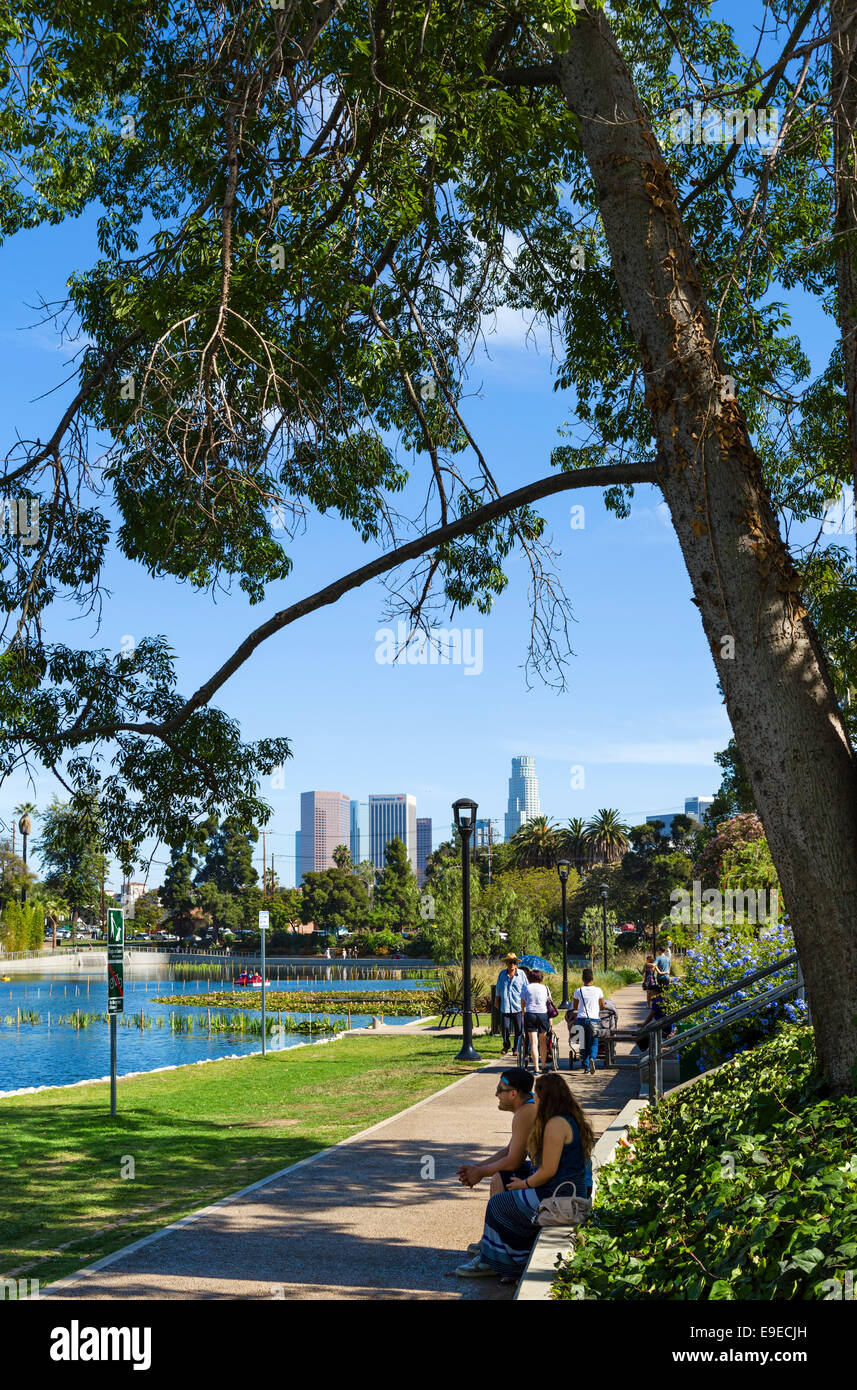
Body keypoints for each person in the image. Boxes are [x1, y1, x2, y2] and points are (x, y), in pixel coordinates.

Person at [455, 1072, 596, 1278]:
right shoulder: (559, 1119)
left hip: (559, 1194)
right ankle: (497, 1247)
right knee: (502, 1181)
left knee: (498, 1205)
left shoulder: (550, 1122)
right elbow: (511, 1153)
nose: (534, 1100)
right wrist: (477, 1168)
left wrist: (524, 1184)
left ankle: (500, 1262)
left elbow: (545, 1169)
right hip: (562, 1188)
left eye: (537, 1096)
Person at [457, 1067, 537, 1198]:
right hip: (560, 1176)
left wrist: (481, 1172)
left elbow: (514, 1161)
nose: (496, 1094)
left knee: (499, 1179)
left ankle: (498, 1216)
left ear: (513, 1094)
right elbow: (509, 1151)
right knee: (499, 1176)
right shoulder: (530, 1104)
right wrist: (476, 1168)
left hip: (561, 1185)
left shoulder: (526, 1112)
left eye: (499, 1090)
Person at [566, 968, 604, 1076]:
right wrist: (598, 1008)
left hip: (581, 1020)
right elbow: (602, 1005)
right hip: (594, 1020)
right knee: (594, 1042)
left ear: (582, 979)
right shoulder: (598, 990)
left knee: (582, 1044)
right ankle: (592, 1058)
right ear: (593, 978)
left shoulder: (578, 991)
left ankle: (587, 1067)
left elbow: (574, 1007)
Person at [494, 954, 525, 1056]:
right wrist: (496, 1000)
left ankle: (516, 1048)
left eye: (514, 963)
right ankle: (506, 1045)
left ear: (516, 964)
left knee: (519, 1029)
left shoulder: (521, 975)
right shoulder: (502, 974)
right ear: (506, 964)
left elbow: (526, 988)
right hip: (505, 1006)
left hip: (518, 1007)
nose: (512, 964)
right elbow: (498, 988)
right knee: (505, 1028)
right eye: (510, 962)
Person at [521, 968, 550, 1073]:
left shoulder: (526, 988)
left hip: (530, 1014)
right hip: (542, 1014)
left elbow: (523, 1003)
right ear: (540, 978)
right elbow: (548, 1002)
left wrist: (524, 1013)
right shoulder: (545, 988)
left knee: (533, 1042)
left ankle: (536, 1068)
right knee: (543, 1041)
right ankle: (543, 1065)